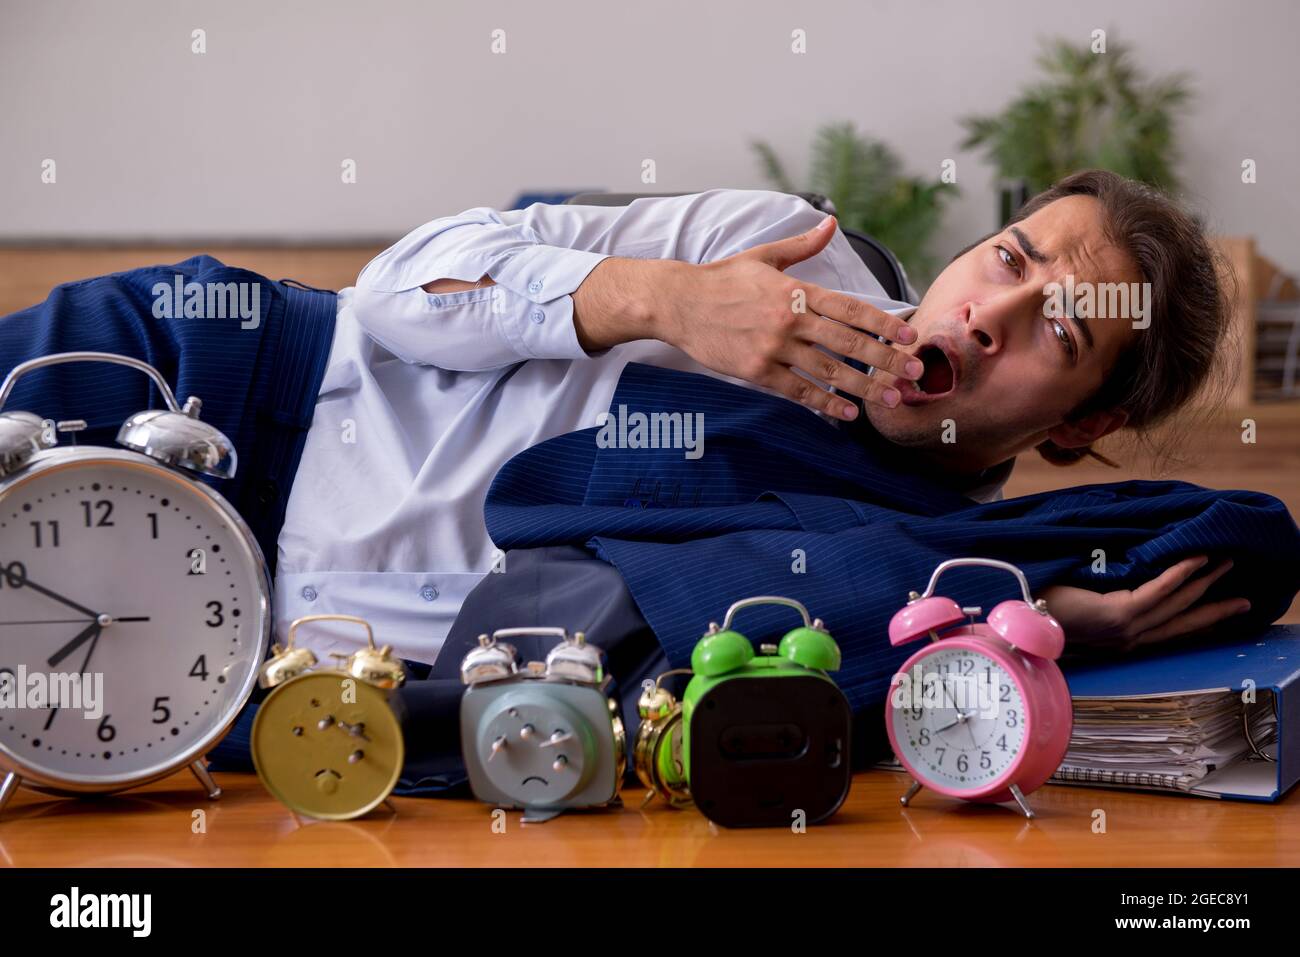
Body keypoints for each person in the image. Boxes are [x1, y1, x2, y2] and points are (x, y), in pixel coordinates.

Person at [0, 170, 1247, 671]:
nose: (989, 312)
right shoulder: (780, 245)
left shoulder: (909, 564)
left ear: (1080, 430)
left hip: (266, 653)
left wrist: (1011, 634)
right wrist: (657, 299)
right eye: (1011, 257)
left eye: (1058, 333)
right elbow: (403, 280)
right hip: (231, 372)